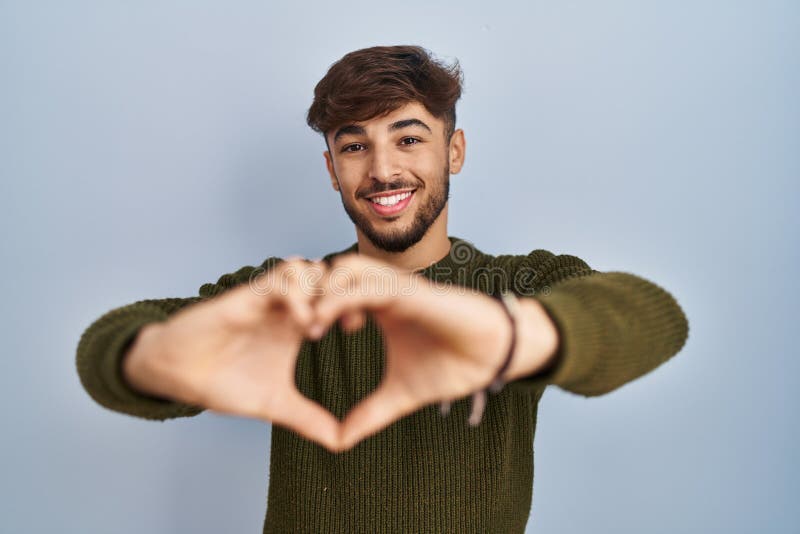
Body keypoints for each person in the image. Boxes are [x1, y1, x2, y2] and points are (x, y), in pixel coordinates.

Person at [76, 45, 690, 533]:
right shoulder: (287, 297)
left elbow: (654, 317)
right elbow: (105, 347)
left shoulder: (518, 286)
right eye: (353, 146)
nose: (382, 170)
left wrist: (510, 337)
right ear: (330, 169)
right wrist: (156, 358)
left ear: (454, 151)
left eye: (408, 138)